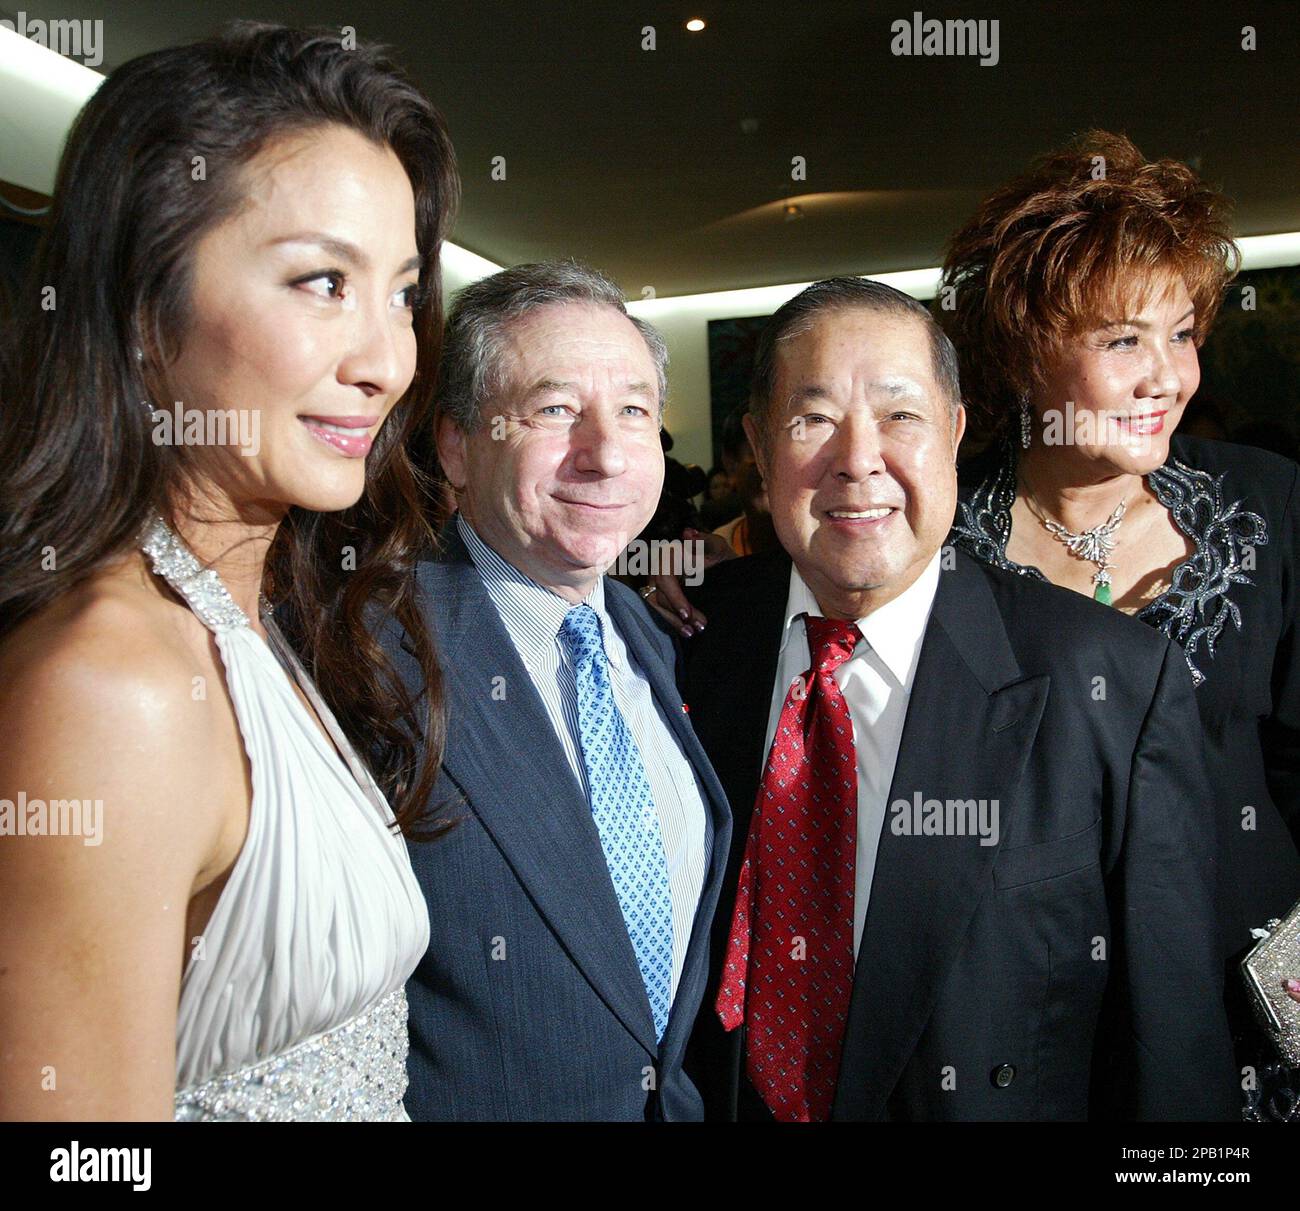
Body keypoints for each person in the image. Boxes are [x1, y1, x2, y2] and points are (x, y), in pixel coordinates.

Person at [0, 23, 457, 1121]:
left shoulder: (258, 621)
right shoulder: (114, 688)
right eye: (319, 282)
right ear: (144, 313)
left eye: (399, 291)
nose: (387, 359)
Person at [681, 276, 1236, 1121]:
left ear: (955, 431)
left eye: (901, 415)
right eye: (814, 418)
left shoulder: (1110, 681)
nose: (858, 458)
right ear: (760, 448)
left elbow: (1173, 1048)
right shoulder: (686, 646)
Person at [943, 131, 1300, 1120]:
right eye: (1120, 339)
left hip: (1247, 1010)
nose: (1165, 376)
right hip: (1039, 1019)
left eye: (1180, 333)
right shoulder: (939, 546)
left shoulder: (1267, 506)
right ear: (1021, 351)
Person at [381, 260, 732, 1120]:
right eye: (554, 410)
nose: (606, 452)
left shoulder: (651, 636)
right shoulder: (373, 657)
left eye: (636, 412)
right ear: (456, 445)